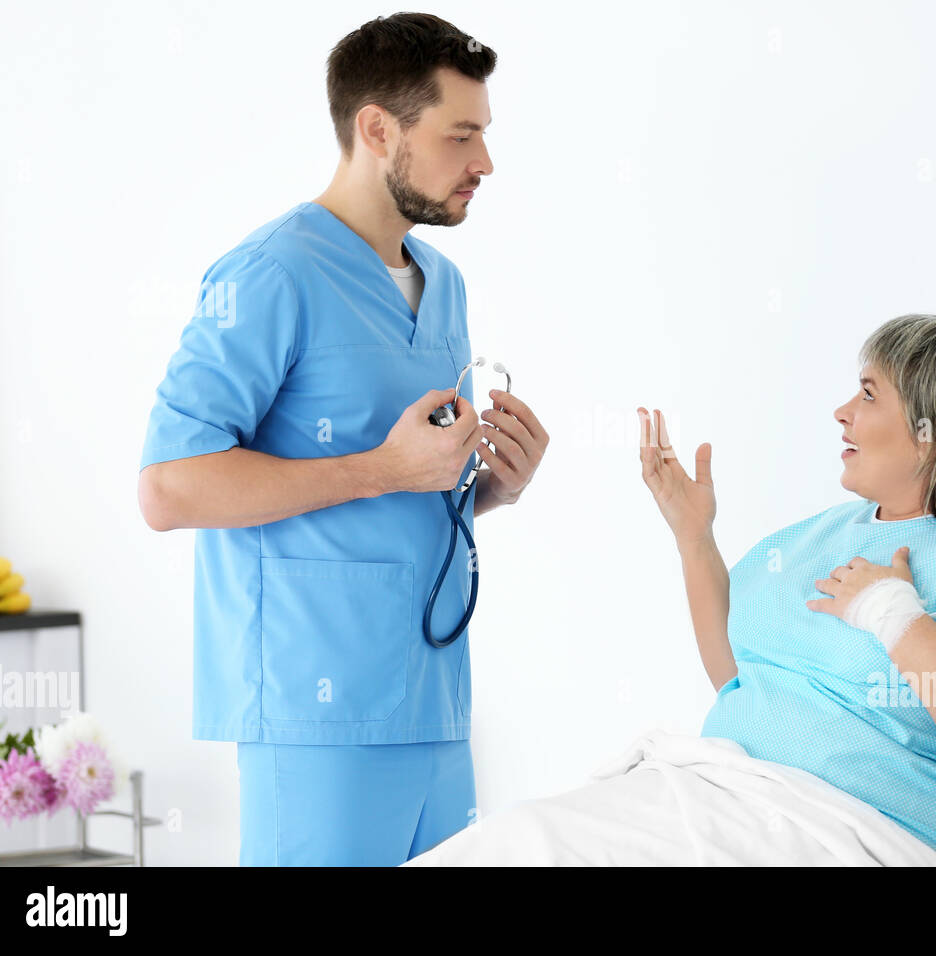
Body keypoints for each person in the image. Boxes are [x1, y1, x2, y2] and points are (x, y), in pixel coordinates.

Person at [406, 314, 936, 867]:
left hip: (853, 825)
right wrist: (693, 533)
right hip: (717, 788)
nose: (841, 412)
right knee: (509, 843)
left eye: (869, 394)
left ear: (931, 432)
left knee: (536, 851)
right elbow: (735, 676)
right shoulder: (819, 534)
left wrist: (897, 618)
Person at [137, 13, 548, 866]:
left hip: (432, 700)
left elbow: (406, 483)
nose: (485, 163)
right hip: (315, 712)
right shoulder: (270, 274)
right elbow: (170, 488)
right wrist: (382, 468)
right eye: (461, 134)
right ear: (376, 128)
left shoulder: (445, 284)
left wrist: (485, 490)